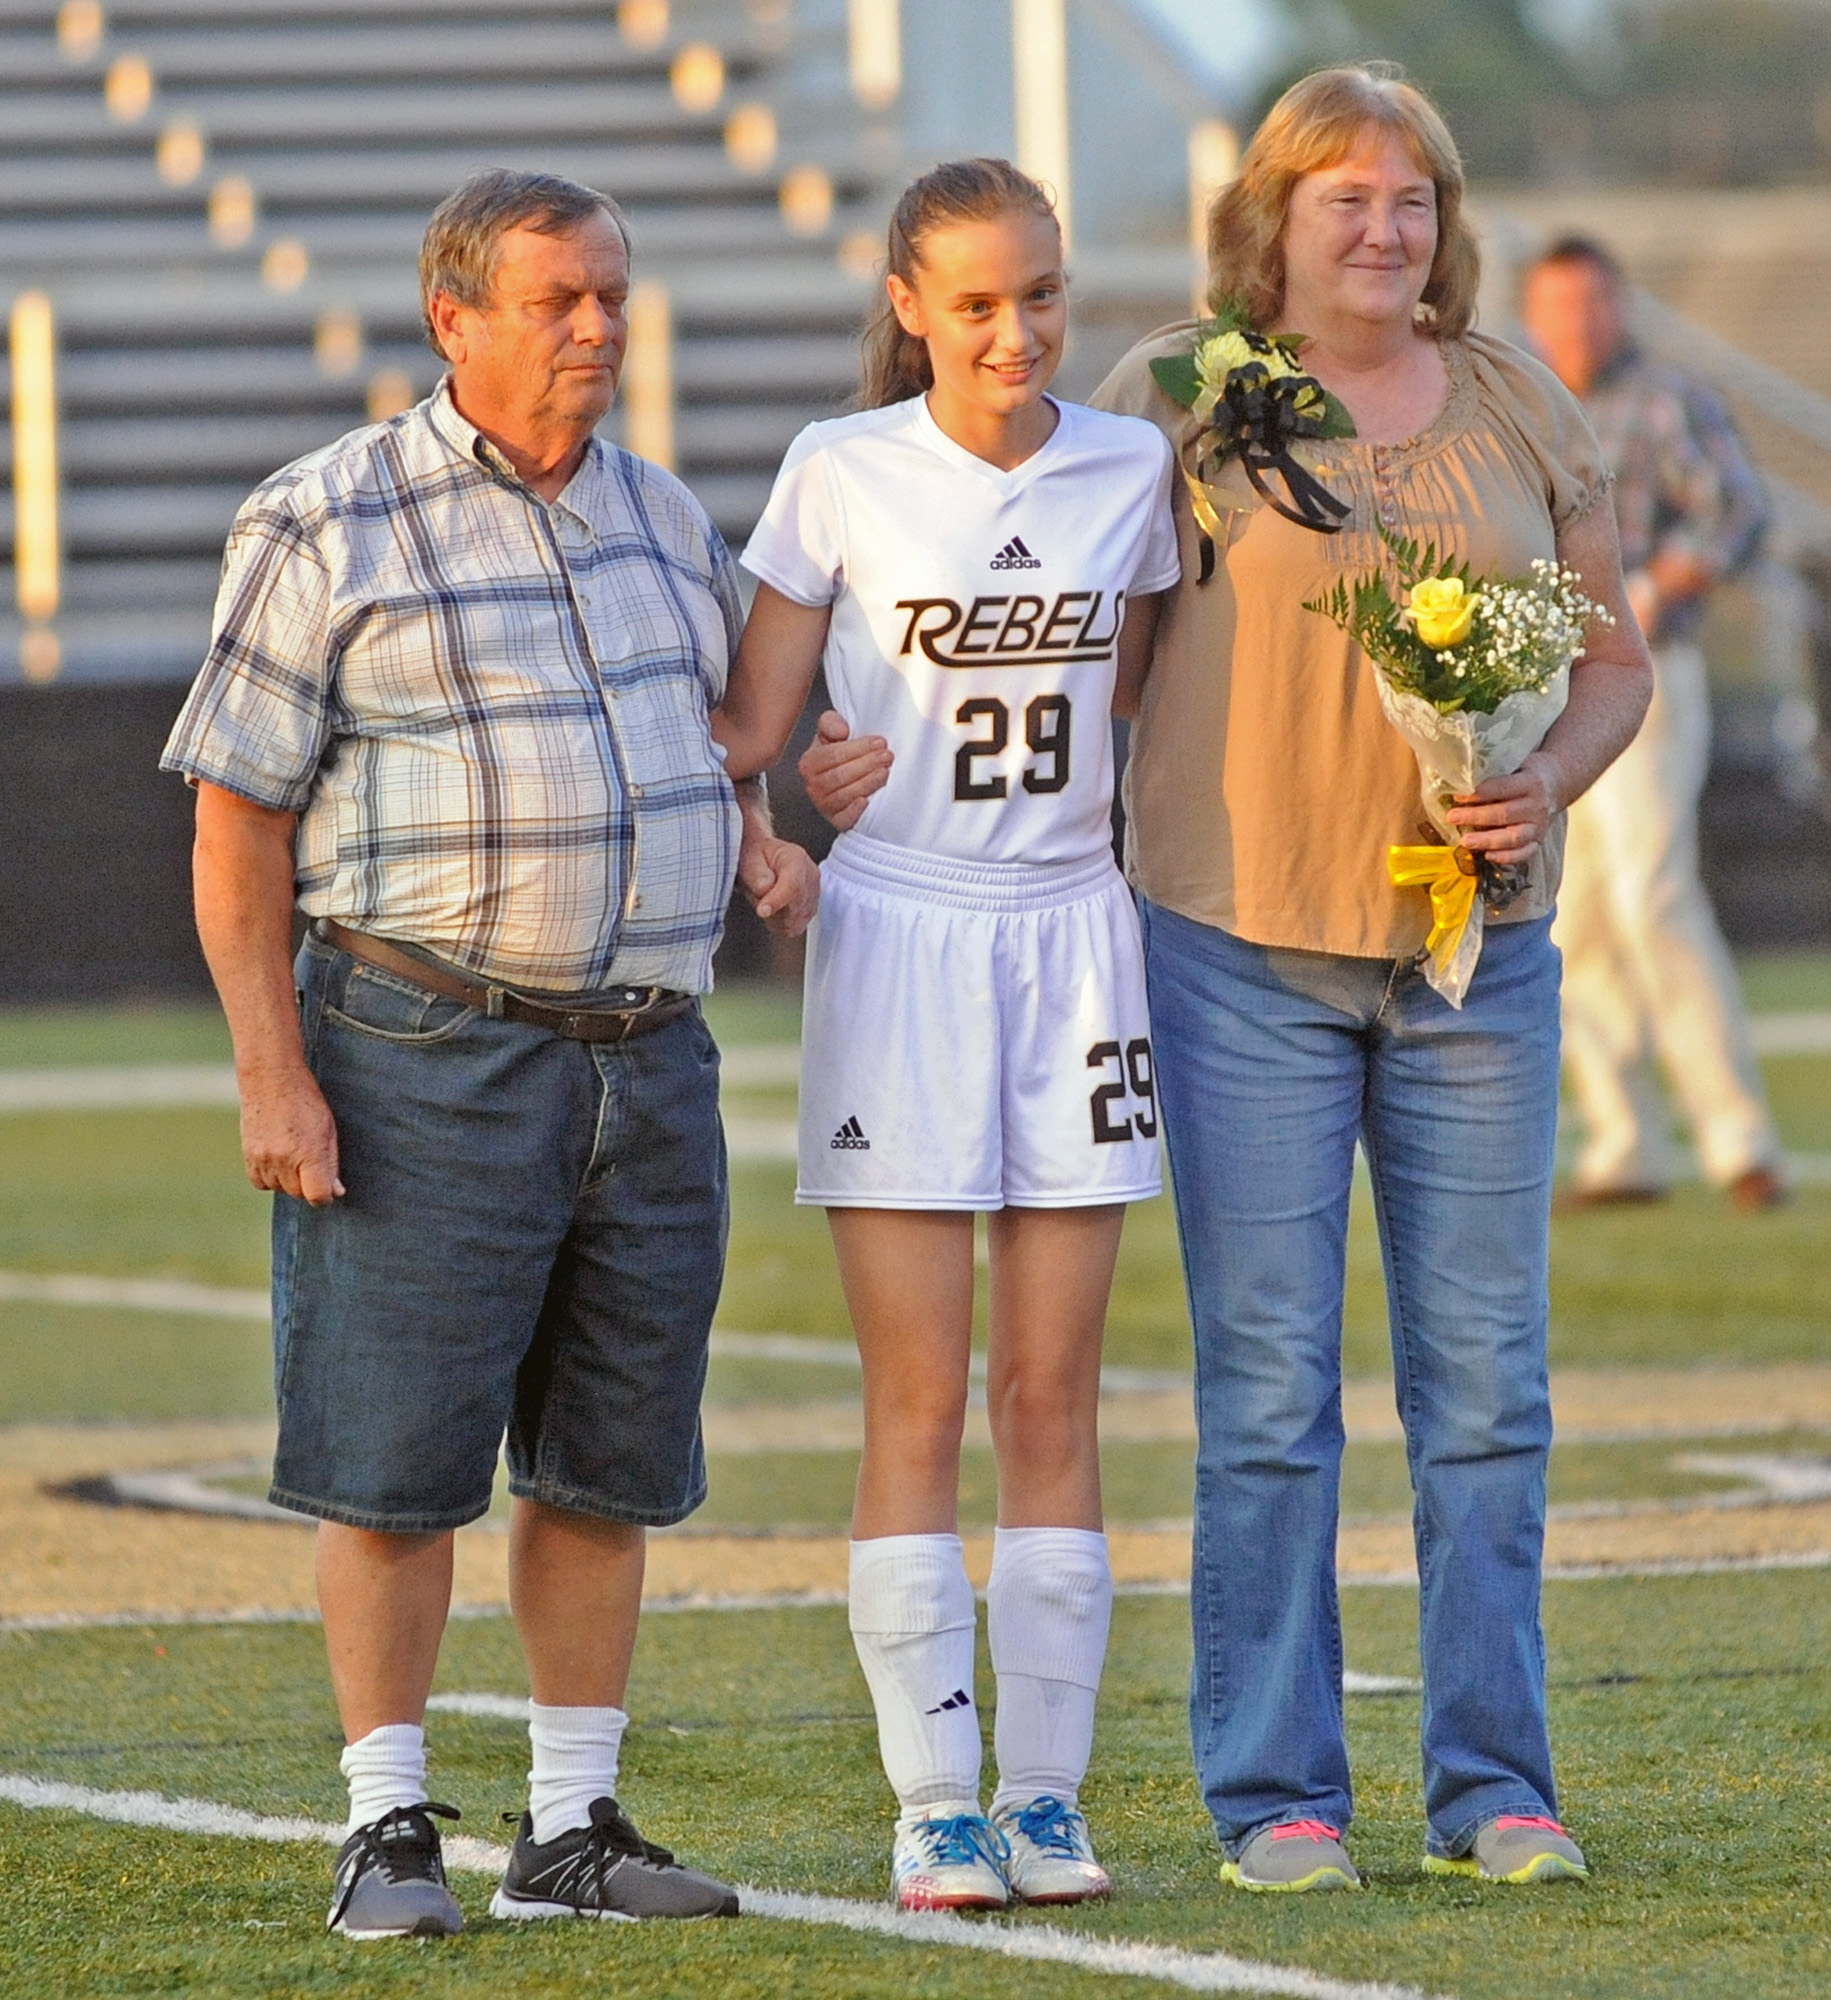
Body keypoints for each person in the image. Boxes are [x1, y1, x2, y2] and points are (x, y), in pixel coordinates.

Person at [806, 67, 1654, 1893]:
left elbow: (1612, 665)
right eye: (1345, 196)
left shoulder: (1520, 398)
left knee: (1486, 1393)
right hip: (1234, 953)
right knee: (1267, 1394)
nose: (1384, 228)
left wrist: (1544, 783)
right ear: (1271, 215)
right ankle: (1275, 1797)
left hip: (1477, 961)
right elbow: (1049, 648)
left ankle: (1496, 1786)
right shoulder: (1178, 397)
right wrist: (863, 759)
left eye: (1413, 197)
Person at [161, 167, 817, 1938]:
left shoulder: (662, 513)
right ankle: (385, 1828)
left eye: (613, 293)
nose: (599, 327)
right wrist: (271, 1073)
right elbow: (235, 824)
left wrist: (760, 835)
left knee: (607, 1459)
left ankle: (570, 1826)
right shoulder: (328, 516)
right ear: (452, 319)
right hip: (420, 1045)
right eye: (558, 301)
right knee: (392, 1466)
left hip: (648, 1055)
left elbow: (708, 735)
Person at [713, 158, 1179, 1912]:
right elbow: (748, 730)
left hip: (1075, 934)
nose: (1014, 332)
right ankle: (933, 1804)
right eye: (975, 302)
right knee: (915, 1395)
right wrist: (788, 810)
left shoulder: (1129, 467)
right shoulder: (839, 468)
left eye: (1039, 295)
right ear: (908, 306)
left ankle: (1044, 1797)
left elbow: (1141, 701)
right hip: (901, 935)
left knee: (1052, 1391)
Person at [1521, 235, 1784, 1210]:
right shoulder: (1522, 405)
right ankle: (1622, 1140)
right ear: (1532, 313)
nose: (1577, 321)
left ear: (1619, 304)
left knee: (1651, 893)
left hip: (1638, 670)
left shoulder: (1665, 397)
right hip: (1537, 679)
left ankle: (1736, 1136)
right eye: (1559, 304)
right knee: (1574, 913)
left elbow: (1736, 511)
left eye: (1592, 301)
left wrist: (1654, 587)